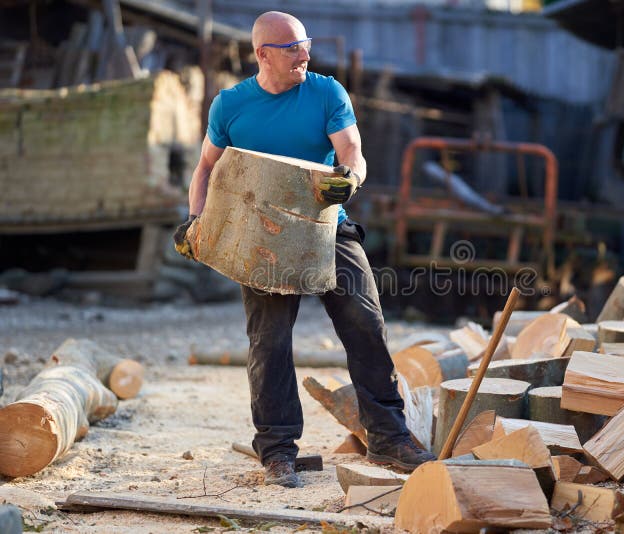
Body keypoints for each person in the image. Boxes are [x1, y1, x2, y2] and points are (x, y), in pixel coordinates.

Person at [173, 11, 435, 488]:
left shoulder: (326, 92)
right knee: (270, 342)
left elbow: (351, 150)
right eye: (293, 47)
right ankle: (277, 451)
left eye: (306, 44)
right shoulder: (230, 105)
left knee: (366, 323)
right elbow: (206, 168)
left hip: (326, 224)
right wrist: (197, 222)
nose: (305, 54)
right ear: (262, 54)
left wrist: (349, 179)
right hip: (262, 237)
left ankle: (389, 437)